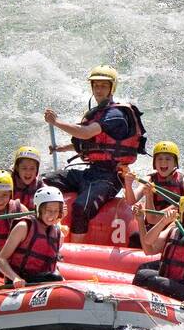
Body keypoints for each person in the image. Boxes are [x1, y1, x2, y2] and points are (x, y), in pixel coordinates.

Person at [43, 65, 146, 243]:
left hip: (110, 176)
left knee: (81, 207)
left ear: (112, 88)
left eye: (103, 86)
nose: (99, 89)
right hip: (91, 172)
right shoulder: (98, 113)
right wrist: (60, 148)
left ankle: (74, 250)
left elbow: (86, 133)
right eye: (96, 85)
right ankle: (44, 234)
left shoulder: (115, 114)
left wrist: (56, 122)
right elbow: (91, 144)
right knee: (46, 180)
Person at [0, 186, 65, 288]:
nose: (52, 215)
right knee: (55, 278)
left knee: (56, 277)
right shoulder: (23, 227)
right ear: (38, 209)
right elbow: (0, 260)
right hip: (19, 282)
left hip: (41, 282)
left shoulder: (58, 233)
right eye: (49, 210)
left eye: (56, 211)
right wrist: (15, 278)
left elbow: (52, 266)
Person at [122, 140, 184, 233]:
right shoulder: (149, 179)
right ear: (154, 162)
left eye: (168, 159)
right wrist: (128, 185)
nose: (163, 162)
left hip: (174, 229)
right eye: (160, 158)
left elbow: (153, 219)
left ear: (175, 163)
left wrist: (149, 196)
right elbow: (131, 201)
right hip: (151, 228)